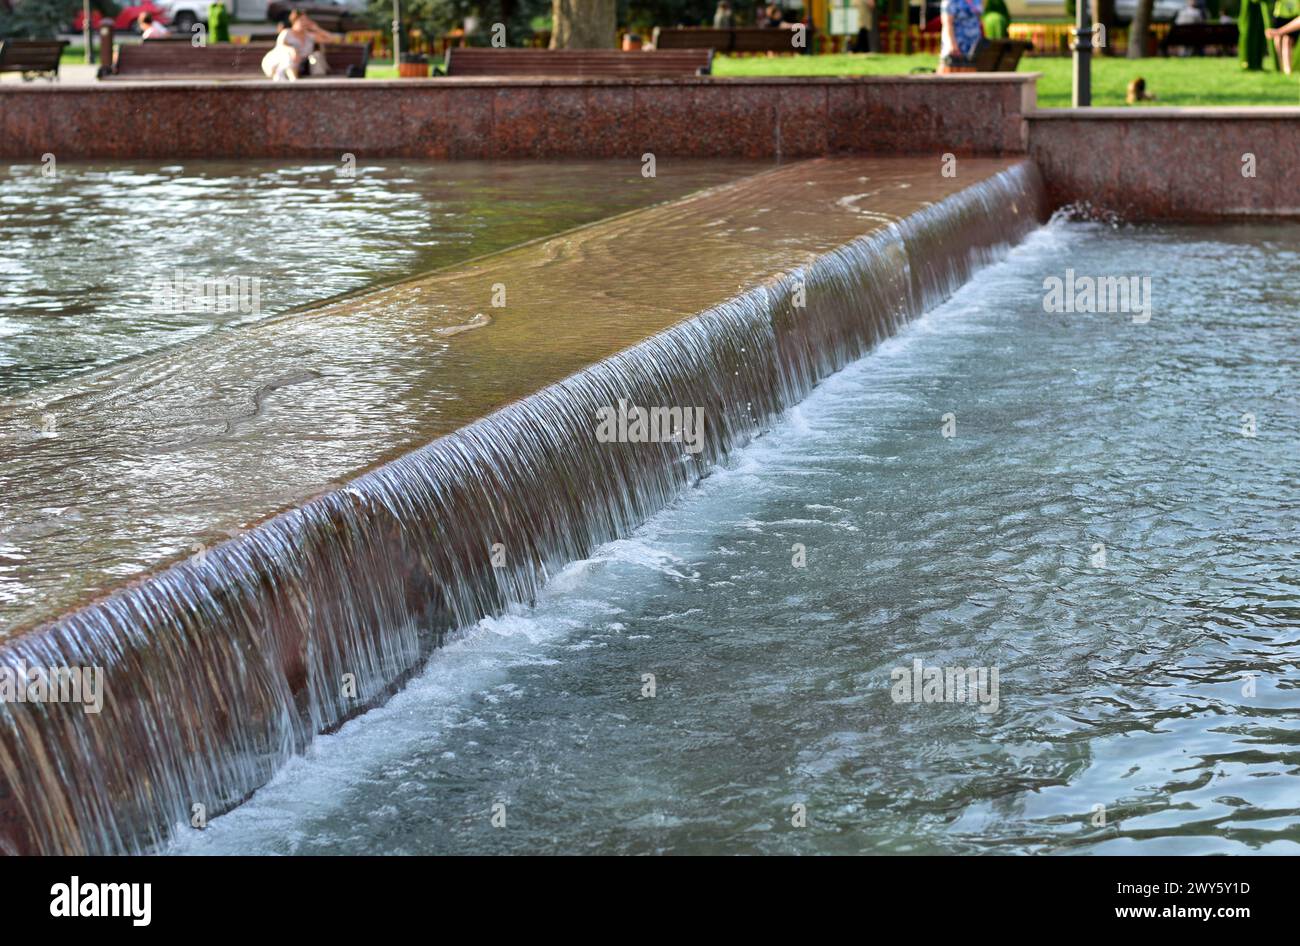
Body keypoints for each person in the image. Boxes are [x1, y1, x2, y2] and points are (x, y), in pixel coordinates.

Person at [939, 0, 984, 73]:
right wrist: (952, 45)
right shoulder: (951, 1)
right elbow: (947, 24)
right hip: (958, 44)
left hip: (974, 45)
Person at [1267, 5, 1300, 73]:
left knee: (1287, 41)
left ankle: (1287, 69)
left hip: (1293, 15)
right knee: (1279, 42)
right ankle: (1282, 68)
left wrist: (1278, 31)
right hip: (1280, 16)